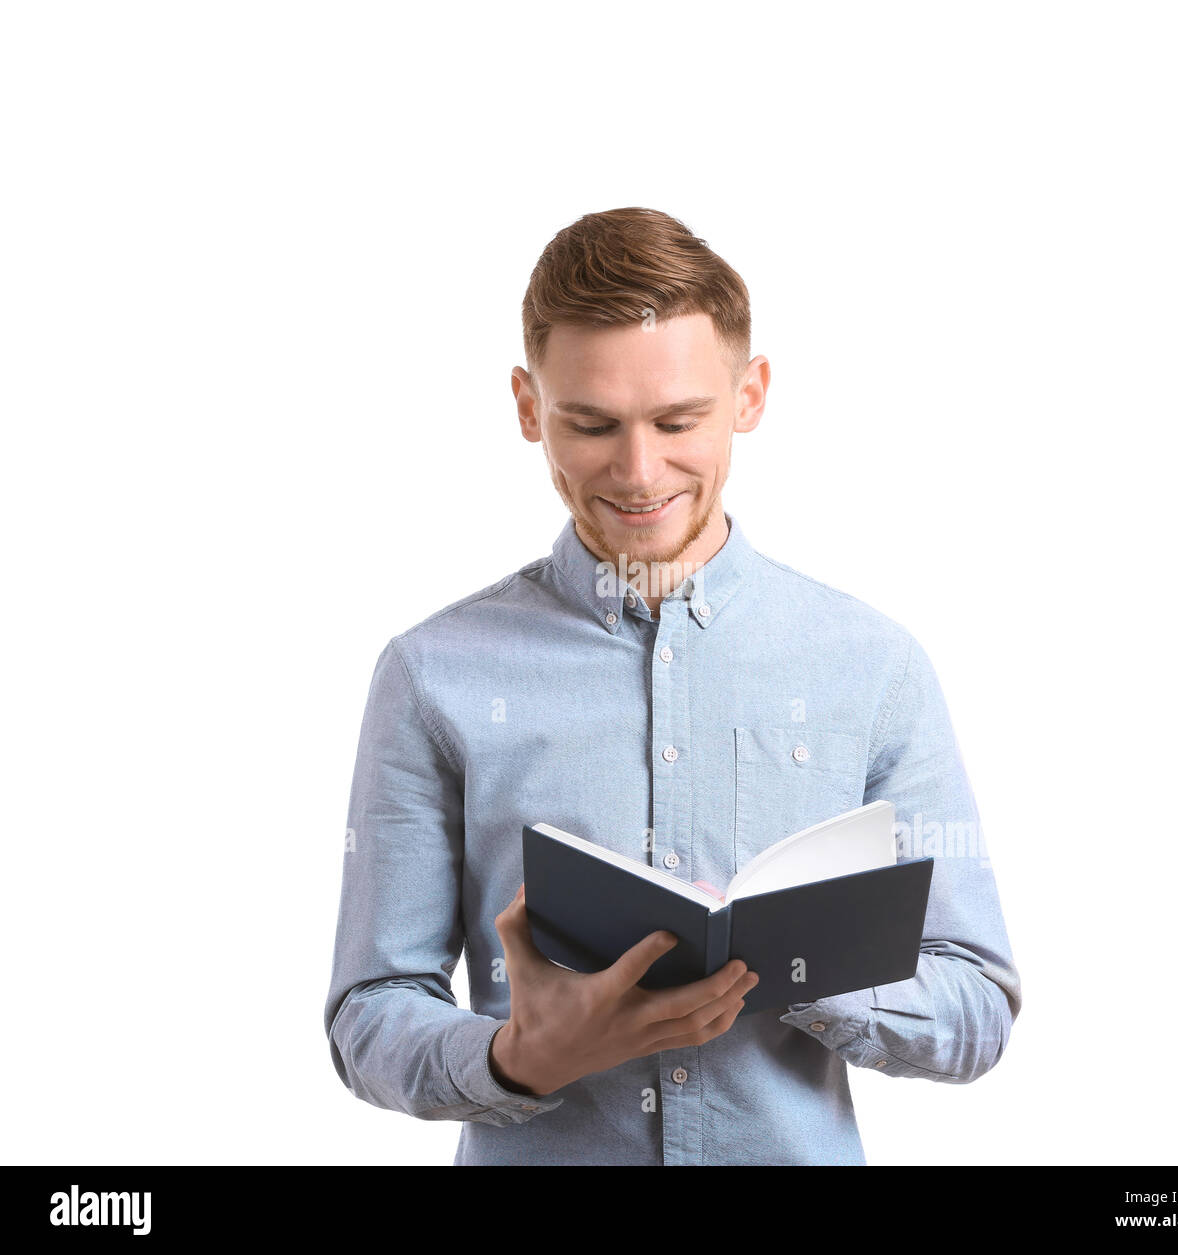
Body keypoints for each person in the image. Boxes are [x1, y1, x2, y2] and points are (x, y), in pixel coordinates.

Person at [323, 207, 1021, 1166]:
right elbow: (369, 1011)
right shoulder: (432, 674)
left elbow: (978, 999)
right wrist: (518, 1056)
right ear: (529, 408)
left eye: (678, 420)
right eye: (592, 423)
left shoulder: (873, 665)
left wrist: (808, 972)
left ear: (751, 394)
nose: (639, 470)